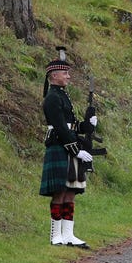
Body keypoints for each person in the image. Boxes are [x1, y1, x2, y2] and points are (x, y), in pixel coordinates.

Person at [41, 48, 92, 248]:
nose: (68, 77)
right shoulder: (52, 98)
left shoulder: (62, 95)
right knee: (60, 191)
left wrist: (86, 125)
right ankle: (56, 235)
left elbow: (69, 124)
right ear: (54, 76)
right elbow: (60, 126)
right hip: (59, 145)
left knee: (71, 191)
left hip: (67, 144)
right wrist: (75, 149)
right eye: (65, 73)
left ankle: (69, 234)